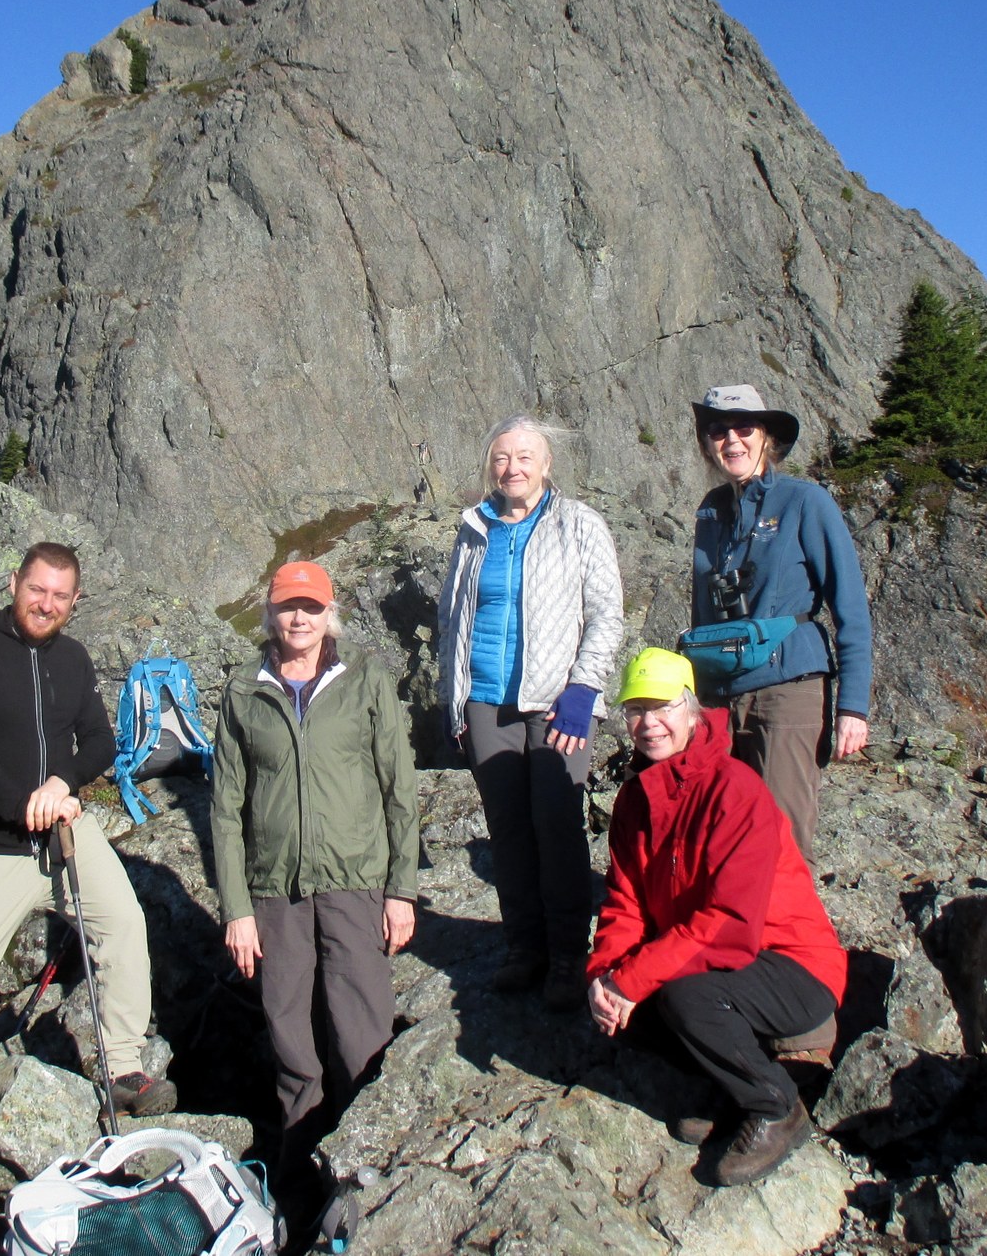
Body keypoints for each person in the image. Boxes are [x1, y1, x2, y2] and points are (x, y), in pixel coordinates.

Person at [0, 542, 175, 1161]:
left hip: (65, 835)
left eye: (60, 596)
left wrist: (62, 783)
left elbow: (100, 741)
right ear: (14, 583)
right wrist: (22, 803)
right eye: (37, 590)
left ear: (75, 601)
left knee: (123, 924)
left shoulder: (73, 658)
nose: (46, 604)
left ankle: (123, 1067)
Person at [586, 649, 847, 1187]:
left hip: (791, 964)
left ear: (692, 712)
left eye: (662, 707)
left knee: (685, 995)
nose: (649, 723)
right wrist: (606, 974)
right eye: (636, 710)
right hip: (714, 960)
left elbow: (729, 922)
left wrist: (635, 979)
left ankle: (776, 1105)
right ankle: (727, 1089)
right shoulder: (636, 798)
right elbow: (625, 902)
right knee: (619, 1003)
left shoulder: (734, 789)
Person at [212, 561, 419, 1170]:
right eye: (287, 606)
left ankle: (367, 1171)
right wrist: (236, 910)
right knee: (290, 1041)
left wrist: (402, 890)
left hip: (356, 883)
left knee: (363, 1035)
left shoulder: (366, 679)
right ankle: (300, 1175)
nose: (298, 618)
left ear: (330, 614)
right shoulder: (243, 691)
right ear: (269, 613)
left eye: (311, 606)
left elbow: (399, 789)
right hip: (274, 891)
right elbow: (224, 810)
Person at [436, 415, 624, 1010]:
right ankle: (524, 946)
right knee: (508, 827)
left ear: (546, 465)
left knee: (558, 822)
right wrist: (455, 700)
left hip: (557, 701)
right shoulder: (474, 529)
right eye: (501, 457)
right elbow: (452, 619)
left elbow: (607, 612)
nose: (511, 468)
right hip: (486, 700)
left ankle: (568, 953)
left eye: (524, 457)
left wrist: (584, 688)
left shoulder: (579, 523)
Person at [688, 383, 872, 857]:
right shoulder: (711, 511)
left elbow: (850, 606)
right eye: (718, 430)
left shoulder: (805, 502)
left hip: (788, 688)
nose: (732, 439)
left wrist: (853, 707)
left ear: (765, 436)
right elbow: (702, 611)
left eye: (744, 427)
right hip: (720, 695)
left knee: (782, 843)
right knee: (722, 840)